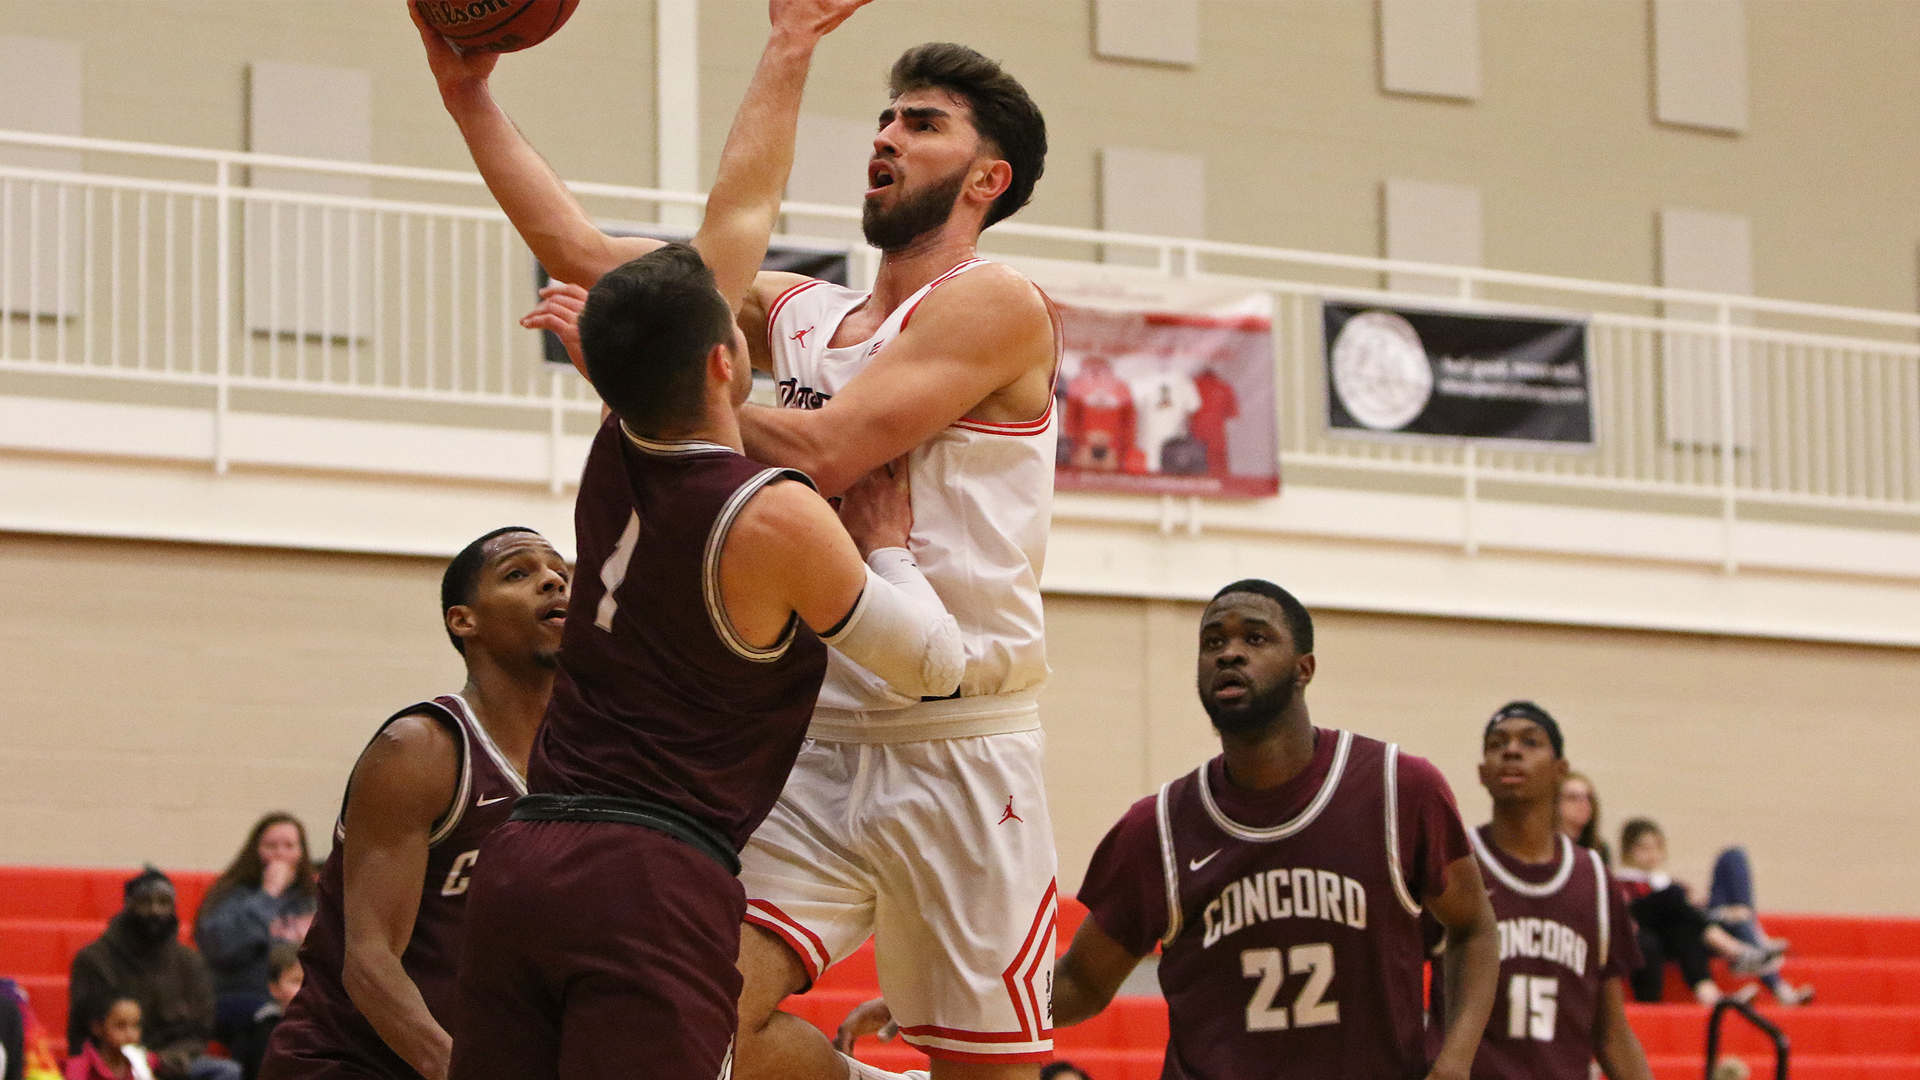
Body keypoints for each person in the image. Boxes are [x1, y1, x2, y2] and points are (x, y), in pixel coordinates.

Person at [432, 19, 1063, 1080]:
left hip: (961, 737)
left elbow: (828, 449)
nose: (888, 136)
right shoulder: (804, 313)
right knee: (702, 1021)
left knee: (987, 1071)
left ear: (986, 178)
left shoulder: (993, 302)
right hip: (816, 738)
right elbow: (594, 261)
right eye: (884, 118)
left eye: (923, 124)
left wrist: (655, 385)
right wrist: (469, 97)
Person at [837, 580, 1501, 1079]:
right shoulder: (1156, 828)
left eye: (1255, 638)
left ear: (1305, 668)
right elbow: (1080, 983)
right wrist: (956, 1010)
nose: (1229, 654)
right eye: (1214, 642)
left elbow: (1473, 926)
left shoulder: (1397, 789)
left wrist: (1455, 1061)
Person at [257, 525, 569, 1080]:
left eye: (560, 573)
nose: (551, 580)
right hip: (347, 1063)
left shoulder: (582, 765)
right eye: (519, 573)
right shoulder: (421, 750)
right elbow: (370, 962)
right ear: (463, 620)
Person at [1440, 701, 1652, 1079]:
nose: (1512, 750)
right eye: (1497, 743)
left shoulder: (1596, 879)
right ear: (1481, 773)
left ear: (1561, 771)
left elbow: (1611, 1031)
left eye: (1531, 741)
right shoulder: (1453, 864)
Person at [66, 869, 238, 1080]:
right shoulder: (94, 960)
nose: (155, 910)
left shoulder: (191, 963)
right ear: (127, 907)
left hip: (173, 1063)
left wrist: (166, 1060)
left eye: (164, 902)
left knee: (226, 1072)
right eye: (145, 902)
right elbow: (82, 1028)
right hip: (113, 1064)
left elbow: (199, 1032)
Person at [1614, 821, 1793, 1006]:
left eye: (1656, 847)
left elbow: (1695, 914)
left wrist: (1722, 913)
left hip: (1679, 936)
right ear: (1628, 850)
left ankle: (1712, 996)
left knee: (1733, 858)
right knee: (1674, 898)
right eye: (1644, 847)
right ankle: (1739, 951)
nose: (1651, 854)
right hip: (1644, 936)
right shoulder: (1620, 884)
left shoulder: (1671, 882)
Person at [194, 814, 318, 1043]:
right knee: (268, 1019)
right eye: (271, 846)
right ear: (255, 851)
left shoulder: (314, 900)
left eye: (289, 846)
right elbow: (221, 950)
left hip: (303, 998)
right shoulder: (229, 894)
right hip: (242, 997)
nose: (280, 854)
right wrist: (268, 896)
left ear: (302, 853)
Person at [1706, 848, 1812, 1005]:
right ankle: (1780, 986)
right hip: (1694, 926)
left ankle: (1755, 937)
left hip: (1705, 919)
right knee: (1738, 918)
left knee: (1733, 856)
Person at [229, 945, 301, 1080]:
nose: (305, 988)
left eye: (311, 981)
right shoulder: (262, 1030)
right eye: (296, 981)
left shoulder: (330, 1026)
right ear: (274, 988)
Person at [63, 997, 159, 1080]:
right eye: (120, 1026)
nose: (130, 1035)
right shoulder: (79, 1068)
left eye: (136, 1025)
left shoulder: (148, 1061)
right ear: (98, 1028)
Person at [1556, 772, 1610, 867]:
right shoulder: (1549, 849)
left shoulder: (1600, 849)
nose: (1583, 804)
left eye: (1588, 798)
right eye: (1572, 798)